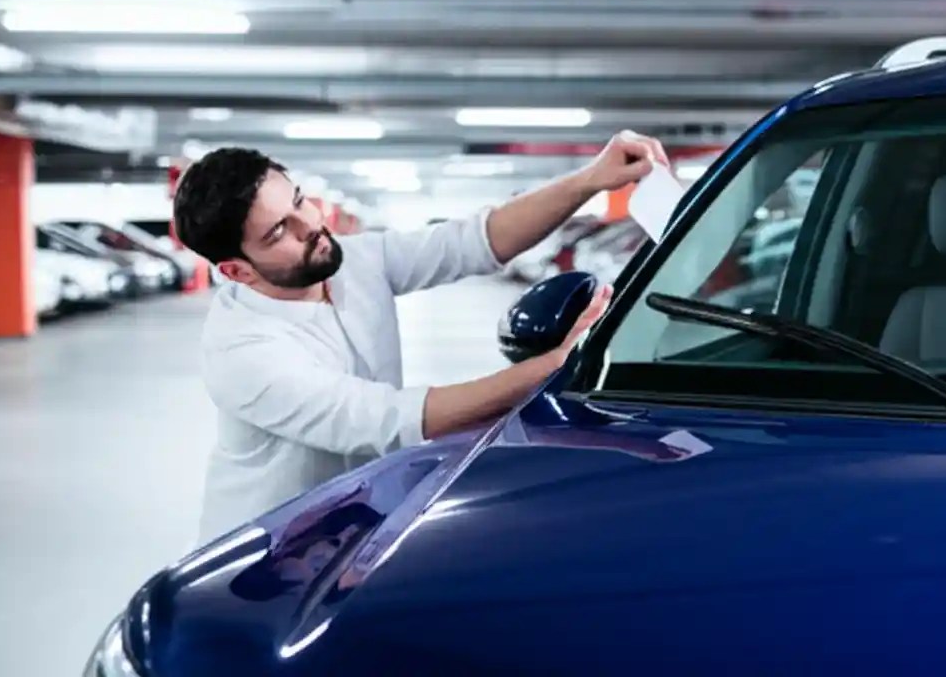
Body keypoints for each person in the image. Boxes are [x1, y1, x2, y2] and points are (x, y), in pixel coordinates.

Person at [173, 130, 670, 540]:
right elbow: (390, 419)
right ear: (237, 271)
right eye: (279, 230)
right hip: (265, 553)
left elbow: (473, 241)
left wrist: (591, 180)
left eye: (300, 201)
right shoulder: (242, 353)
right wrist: (554, 364)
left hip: (354, 522)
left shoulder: (351, 262)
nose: (311, 226)